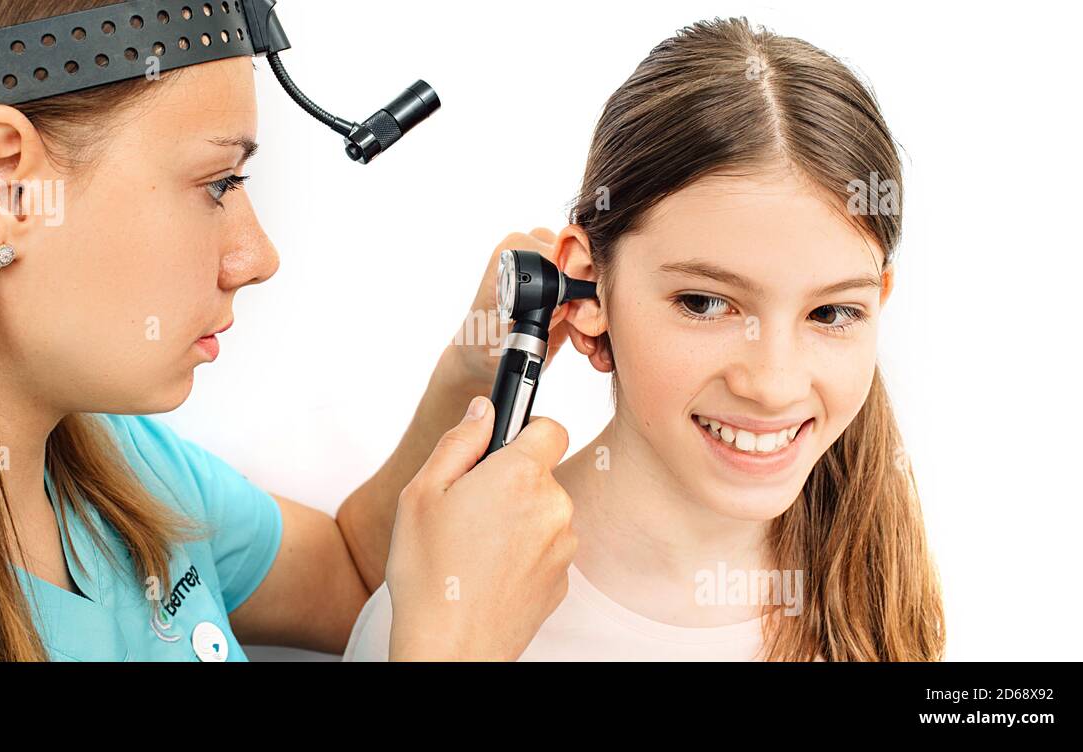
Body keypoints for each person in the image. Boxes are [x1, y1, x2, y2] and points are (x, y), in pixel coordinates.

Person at [0, 0, 577, 661]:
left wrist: (478, 366)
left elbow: (355, 573)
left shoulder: (114, 462)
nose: (258, 257)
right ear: (4, 186)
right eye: (218, 184)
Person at [345, 17, 945, 662]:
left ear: (879, 299)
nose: (773, 384)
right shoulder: (435, 625)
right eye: (704, 302)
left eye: (830, 313)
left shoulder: (885, 595)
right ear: (588, 288)